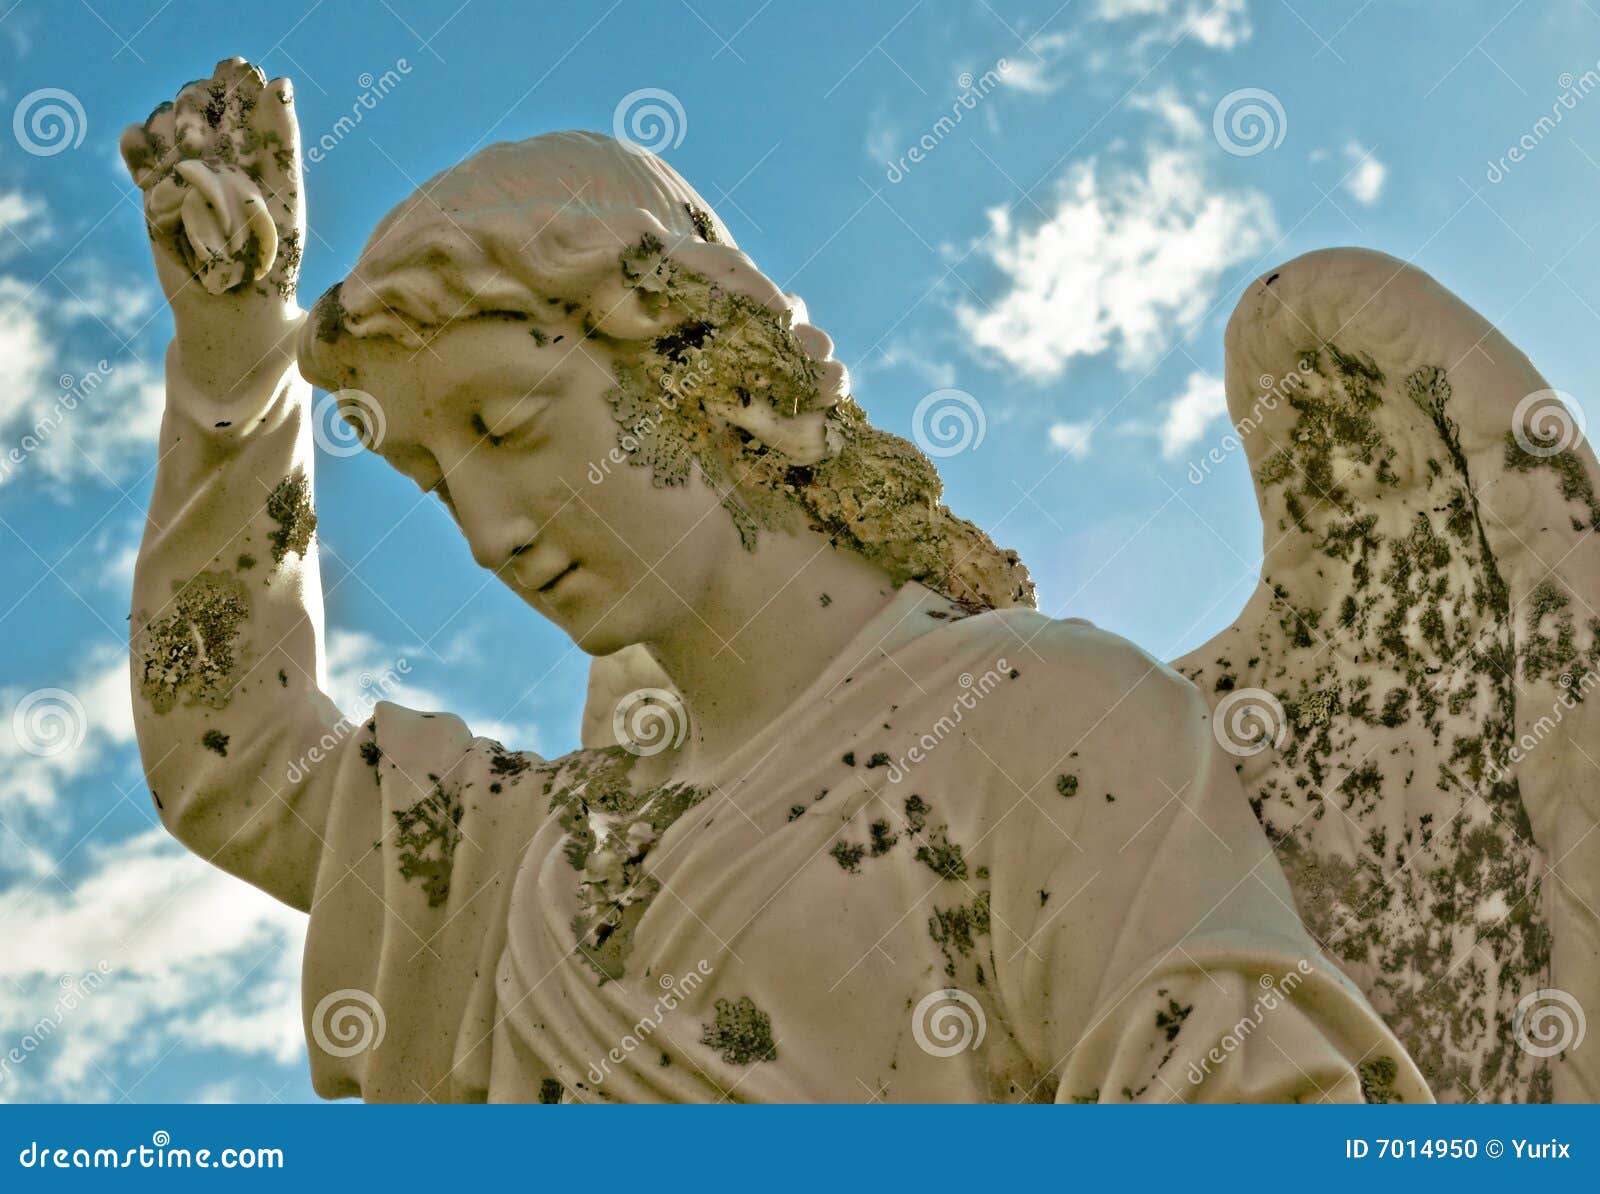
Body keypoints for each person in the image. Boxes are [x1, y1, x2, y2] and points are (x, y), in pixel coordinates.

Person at [121, 58, 1428, 1103]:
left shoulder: (1041, 727)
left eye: (510, 429)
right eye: (429, 479)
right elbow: (233, 751)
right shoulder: (532, 864)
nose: (485, 528)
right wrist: (235, 367)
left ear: (699, 366)